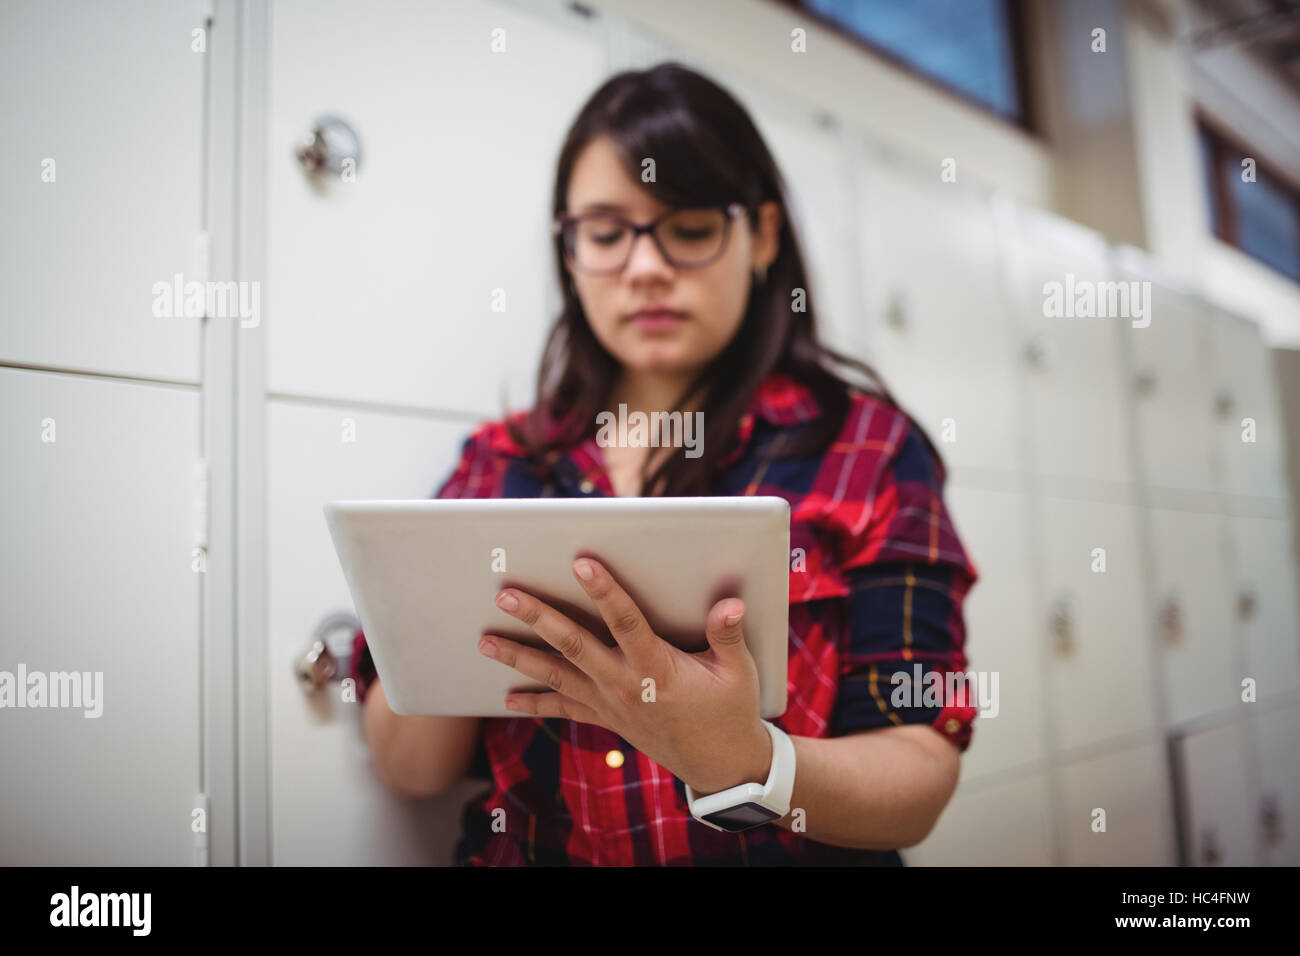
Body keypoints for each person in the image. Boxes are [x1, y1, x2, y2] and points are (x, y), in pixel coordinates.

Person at [351, 62, 978, 866]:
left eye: (687, 228)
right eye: (607, 234)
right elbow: (411, 769)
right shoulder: (498, 463)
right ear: (570, 255)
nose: (645, 267)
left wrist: (747, 760)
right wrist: (439, 617)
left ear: (764, 237)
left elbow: (920, 773)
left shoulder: (870, 450)